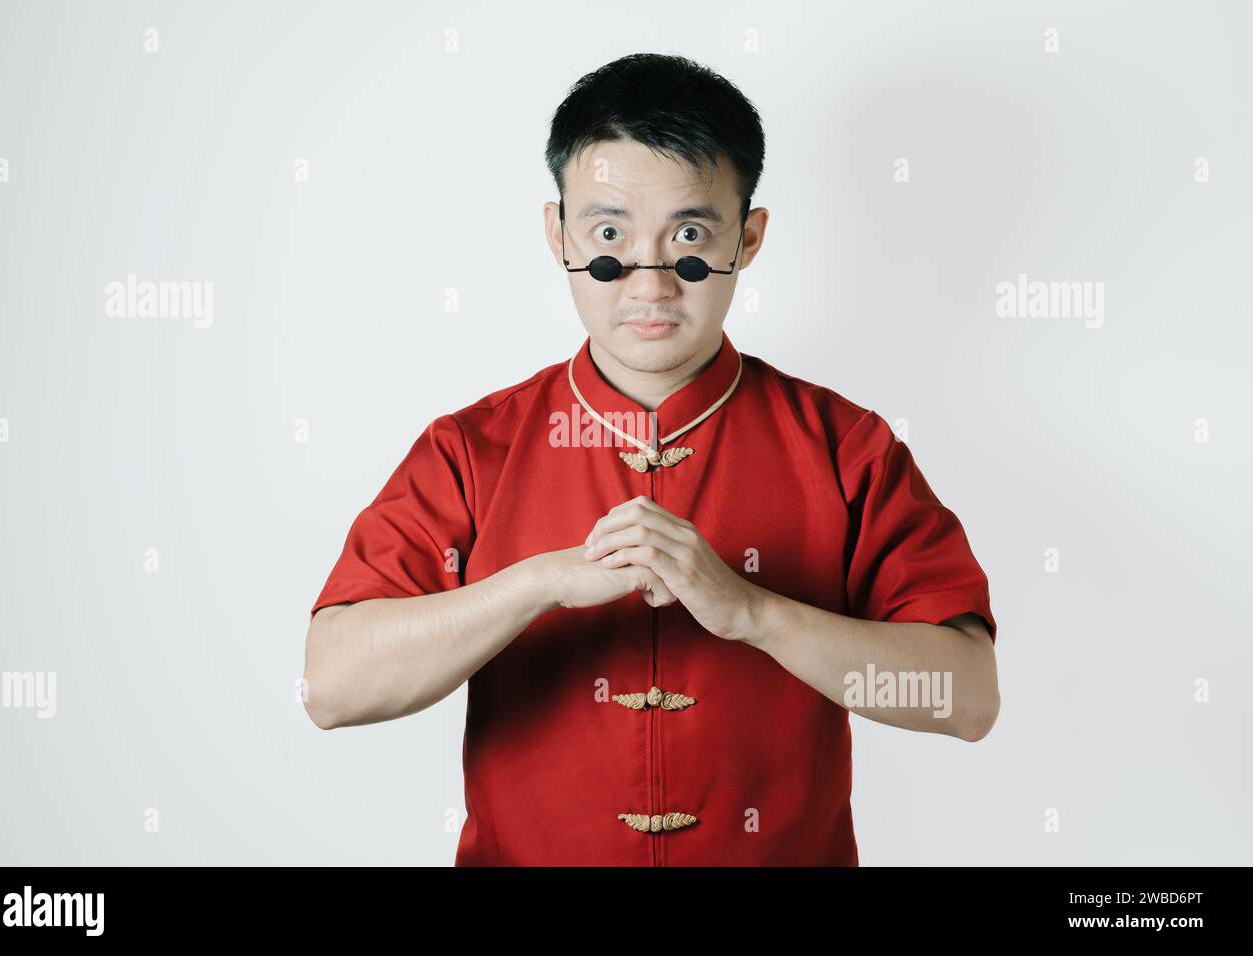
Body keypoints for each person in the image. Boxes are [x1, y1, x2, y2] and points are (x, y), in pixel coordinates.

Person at [305, 52, 999, 866]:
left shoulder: (846, 446)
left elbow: (966, 698)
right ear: (557, 233)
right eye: (608, 235)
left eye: (691, 236)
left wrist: (755, 614)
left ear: (749, 237)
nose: (650, 283)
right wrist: (538, 583)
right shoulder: (470, 450)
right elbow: (331, 688)